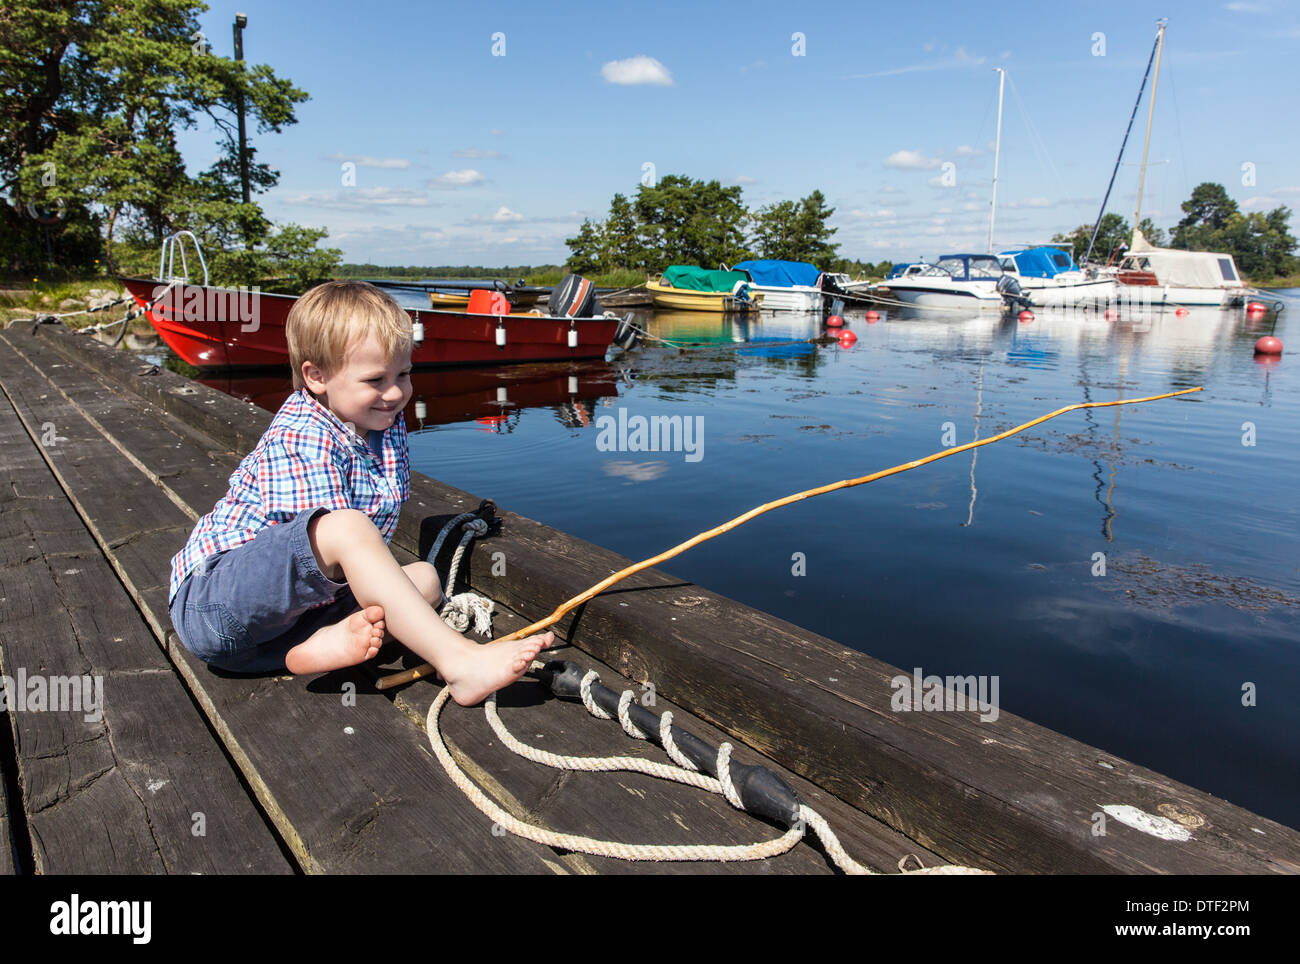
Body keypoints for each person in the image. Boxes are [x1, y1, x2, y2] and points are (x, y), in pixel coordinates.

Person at [167, 281, 551, 704]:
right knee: (346, 528)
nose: (395, 393)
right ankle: (459, 663)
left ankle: (308, 649)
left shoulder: (383, 423)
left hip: (263, 641)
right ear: (317, 377)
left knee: (424, 581)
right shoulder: (303, 435)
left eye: (403, 374)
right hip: (213, 607)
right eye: (375, 379)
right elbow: (331, 541)